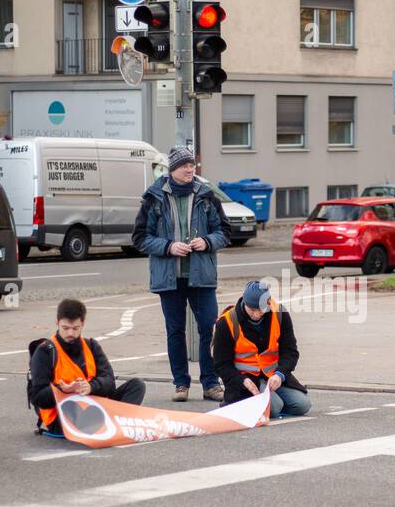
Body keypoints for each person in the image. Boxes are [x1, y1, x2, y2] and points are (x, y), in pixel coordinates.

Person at [133, 145, 229, 402]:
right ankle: (181, 384)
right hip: (169, 277)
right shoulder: (154, 198)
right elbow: (140, 238)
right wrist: (168, 246)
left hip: (202, 276)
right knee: (175, 330)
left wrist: (207, 242)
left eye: (192, 165)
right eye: (185, 165)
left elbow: (224, 232)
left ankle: (210, 383)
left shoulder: (207, 196)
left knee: (210, 327)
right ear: (172, 169)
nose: (190, 169)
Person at [29, 298, 146, 436]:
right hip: (63, 415)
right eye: (65, 328)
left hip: (95, 405)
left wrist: (90, 386)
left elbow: (109, 382)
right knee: (90, 415)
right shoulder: (45, 351)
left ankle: (114, 423)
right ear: (57, 323)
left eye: (75, 328)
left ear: (82, 324)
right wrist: (63, 390)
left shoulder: (91, 345)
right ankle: (116, 422)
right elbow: (37, 398)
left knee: (137, 385)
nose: (70, 333)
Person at [212, 280, 311, 418]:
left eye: (261, 309)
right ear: (244, 303)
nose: (257, 314)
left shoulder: (280, 314)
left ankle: (261, 405)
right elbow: (221, 364)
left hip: (272, 376)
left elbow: (290, 352)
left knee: (302, 404)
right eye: (252, 310)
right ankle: (241, 403)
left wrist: (280, 374)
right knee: (275, 408)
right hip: (244, 380)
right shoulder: (226, 322)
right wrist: (242, 381)